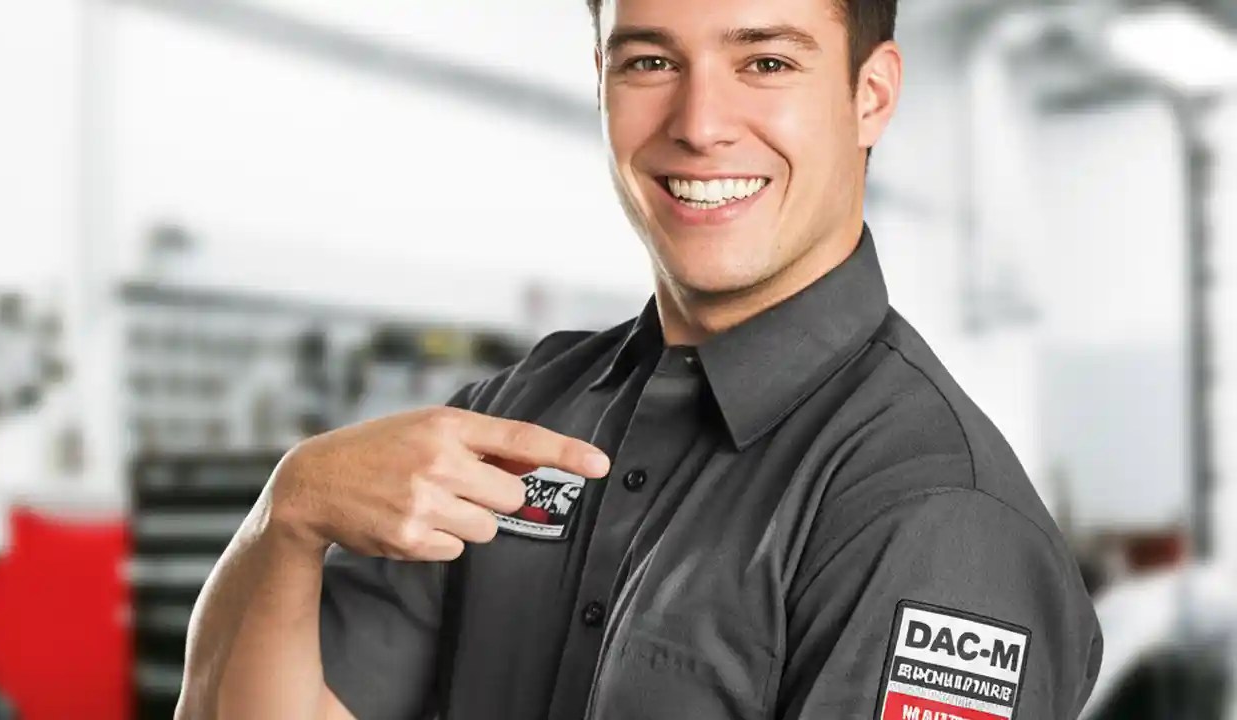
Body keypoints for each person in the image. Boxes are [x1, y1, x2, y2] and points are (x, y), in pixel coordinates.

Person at [176, 0, 1104, 717]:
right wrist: (286, 515)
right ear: (600, 80)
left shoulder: (933, 514)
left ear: (872, 95)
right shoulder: (524, 412)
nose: (700, 124)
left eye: (766, 61)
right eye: (651, 60)